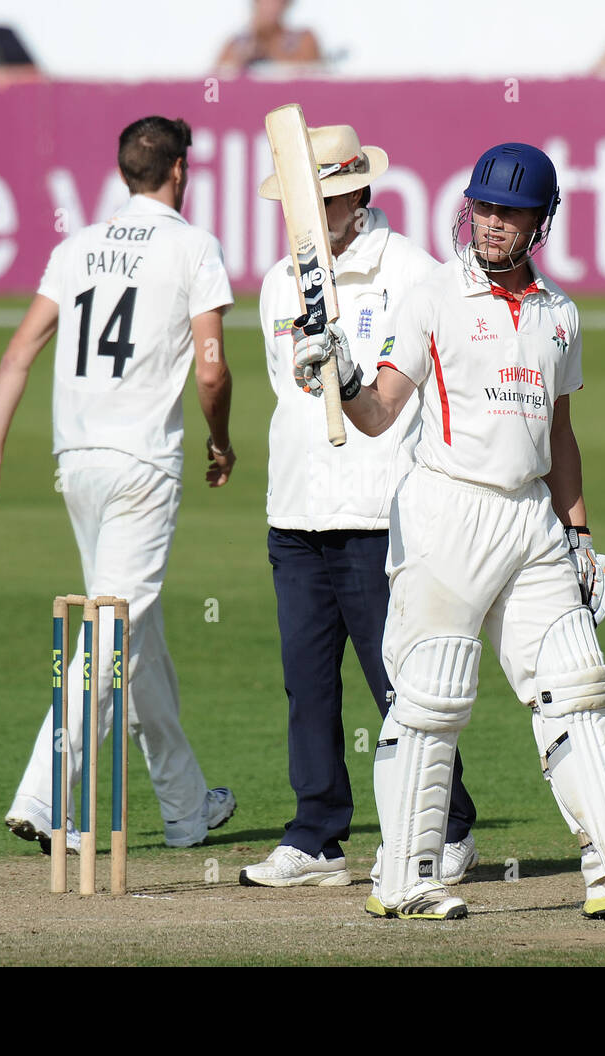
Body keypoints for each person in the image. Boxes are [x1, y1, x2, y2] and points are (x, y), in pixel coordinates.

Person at [294, 142, 605, 920]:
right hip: (446, 512)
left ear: (540, 221)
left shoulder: (560, 314)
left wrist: (579, 534)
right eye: (482, 207)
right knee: (431, 700)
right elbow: (378, 414)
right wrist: (340, 375)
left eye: (510, 212)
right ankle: (405, 881)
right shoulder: (433, 297)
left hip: (532, 520)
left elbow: (561, 433)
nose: (491, 224)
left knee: (578, 686)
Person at [0, 115, 238, 855]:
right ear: (179, 170)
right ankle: (46, 795)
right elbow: (211, 367)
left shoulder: (76, 246)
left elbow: (19, 352)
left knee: (134, 634)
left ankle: (185, 806)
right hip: (143, 463)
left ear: (124, 173)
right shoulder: (193, 247)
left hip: (75, 462)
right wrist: (221, 437)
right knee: (112, 632)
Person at [239, 125, 478, 889]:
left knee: (399, 681)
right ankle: (316, 837)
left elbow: (435, 387)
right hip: (296, 510)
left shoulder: (411, 271)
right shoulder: (282, 279)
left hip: (381, 510)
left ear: (352, 195)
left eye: (317, 199)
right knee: (306, 683)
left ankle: (449, 824)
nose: (302, 215)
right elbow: (286, 391)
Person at [214, 0, 322, 73]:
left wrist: (269, 48)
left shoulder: (304, 38)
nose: (270, 6)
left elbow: (310, 72)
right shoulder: (236, 44)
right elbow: (218, 77)